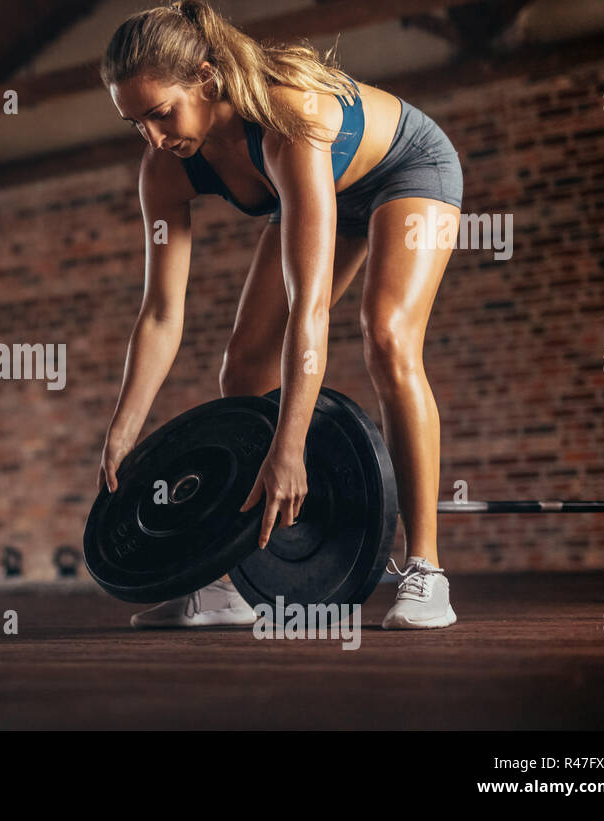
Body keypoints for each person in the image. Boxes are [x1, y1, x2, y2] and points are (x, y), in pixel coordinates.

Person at [97, 0, 463, 630]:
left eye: (160, 114)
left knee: (386, 337)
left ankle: (427, 570)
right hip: (319, 194)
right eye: (136, 124)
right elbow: (160, 312)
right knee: (243, 367)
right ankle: (237, 583)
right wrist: (125, 428)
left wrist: (290, 447)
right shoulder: (163, 169)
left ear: (207, 81)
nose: (153, 138)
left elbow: (308, 306)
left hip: (405, 170)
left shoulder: (287, 121)